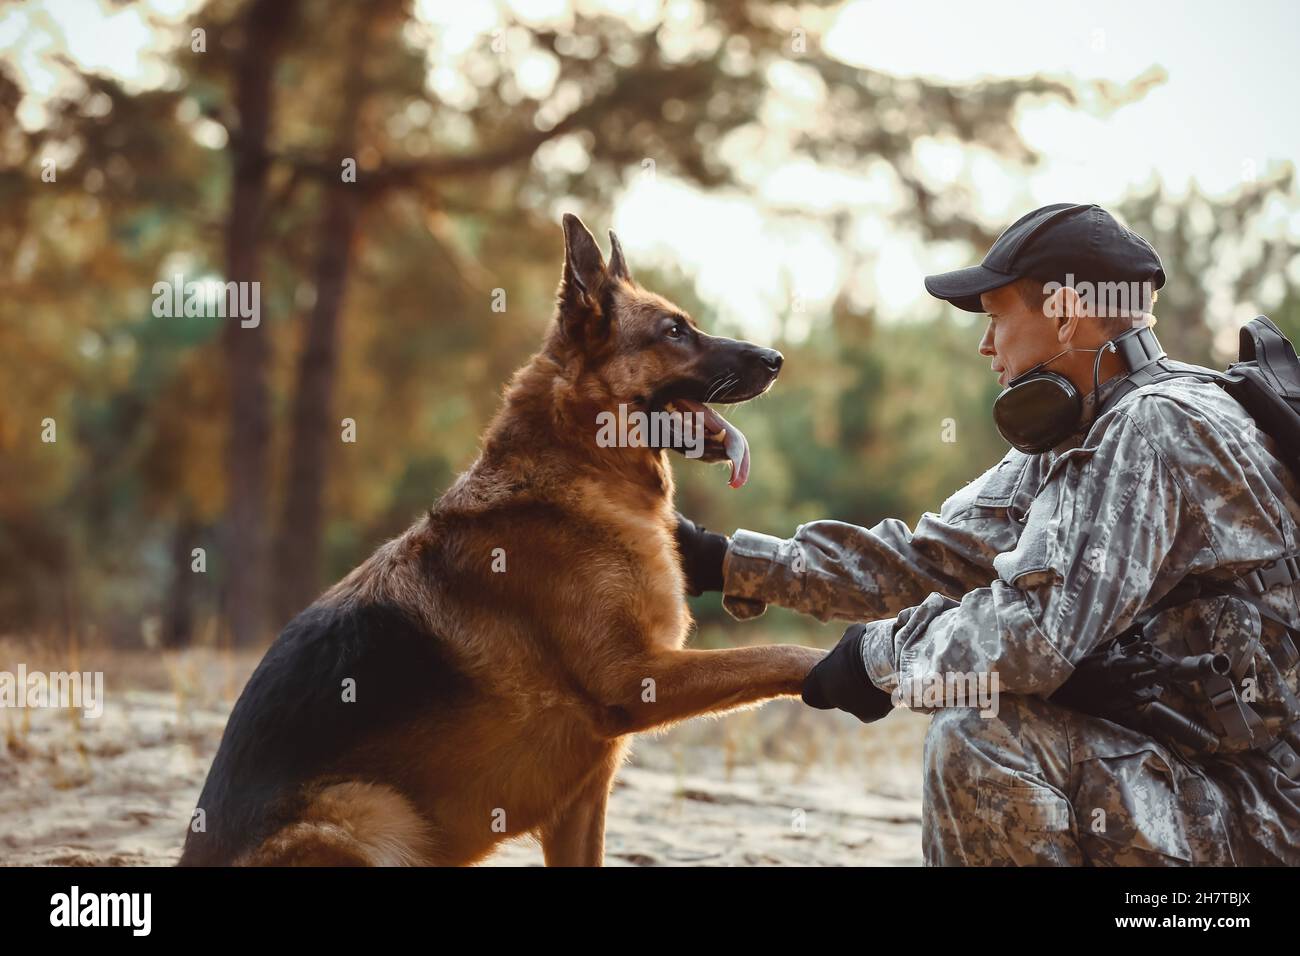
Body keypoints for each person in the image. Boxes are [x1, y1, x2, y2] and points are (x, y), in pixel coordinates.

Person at [676, 203, 1300, 865]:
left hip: (1261, 811)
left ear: (1064, 312)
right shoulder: (1088, 423)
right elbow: (930, 560)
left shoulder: (1157, 426)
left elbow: (1031, 635)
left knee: (979, 736)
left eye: (997, 316)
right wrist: (725, 562)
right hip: (1194, 777)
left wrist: (878, 658)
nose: (985, 344)